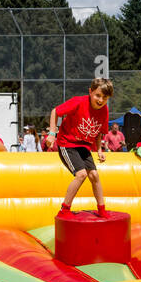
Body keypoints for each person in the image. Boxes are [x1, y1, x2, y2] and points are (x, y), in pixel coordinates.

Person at [51, 78, 112, 216]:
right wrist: (51, 133)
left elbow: (98, 132)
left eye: (105, 97)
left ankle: (101, 209)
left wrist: (100, 150)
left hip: (84, 146)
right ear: (90, 92)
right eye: (98, 95)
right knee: (81, 174)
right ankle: (64, 209)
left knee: (95, 175)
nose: (101, 100)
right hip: (67, 143)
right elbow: (55, 111)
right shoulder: (79, 102)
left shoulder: (104, 110)